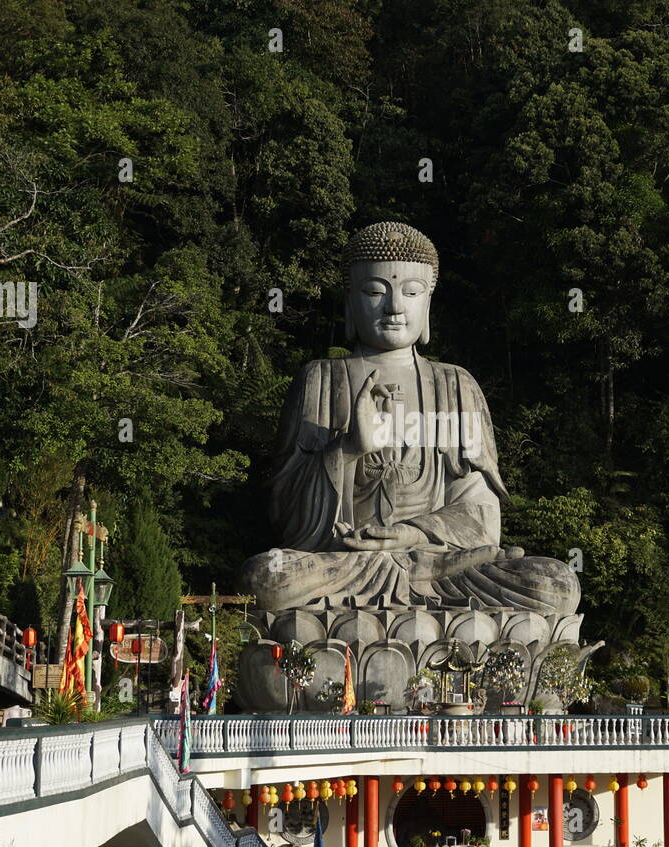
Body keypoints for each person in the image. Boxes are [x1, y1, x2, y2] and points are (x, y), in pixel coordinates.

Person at [239, 222, 580, 615]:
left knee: (555, 585)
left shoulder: (456, 385)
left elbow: (482, 516)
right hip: (347, 563)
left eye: (412, 292)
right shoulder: (320, 378)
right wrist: (348, 448)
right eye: (374, 292)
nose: (395, 307)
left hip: (435, 566)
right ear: (350, 302)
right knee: (267, 578)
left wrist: (412, 533)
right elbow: (286, 513)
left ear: (428, 302)